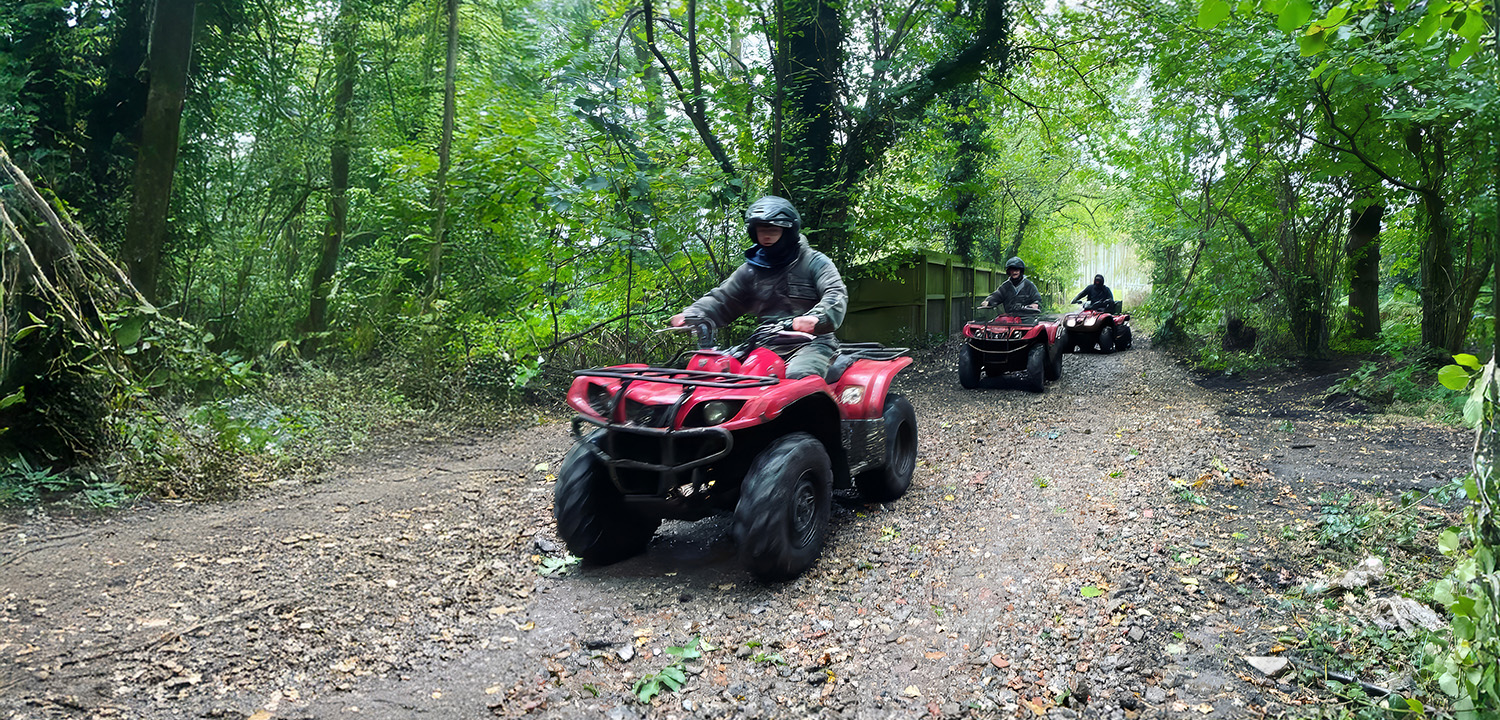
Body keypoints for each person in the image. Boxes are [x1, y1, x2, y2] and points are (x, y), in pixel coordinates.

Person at [670, 195, 847, 379]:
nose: (767, 236)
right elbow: (723, 299)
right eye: (762, 230)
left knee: (799, 379)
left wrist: (816, 318)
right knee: (712, 371)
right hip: (766, 343)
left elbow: (835, 294)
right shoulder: (751, 270)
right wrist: (692, 314)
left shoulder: (814, 262)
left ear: (788, 231)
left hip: (812, 343)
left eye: (773, 230)